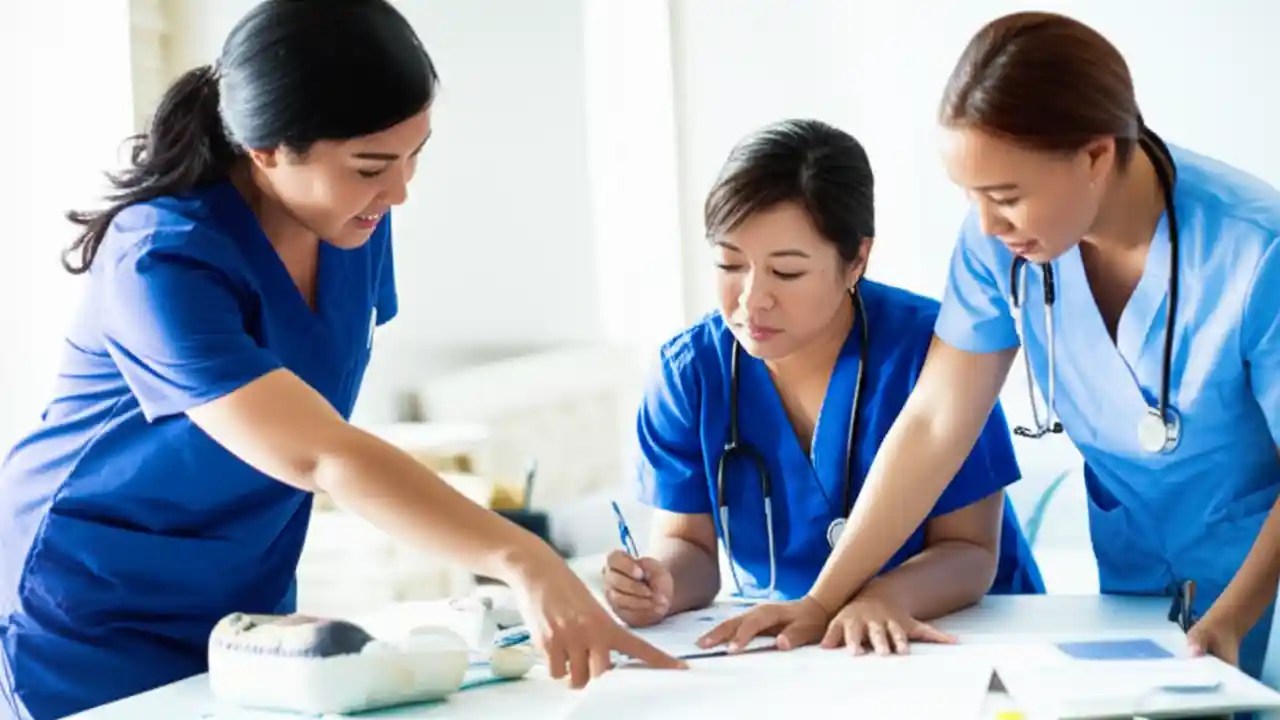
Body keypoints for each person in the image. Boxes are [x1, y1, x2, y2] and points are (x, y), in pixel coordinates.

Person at [0, 2, 680, 717]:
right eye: (371, 166)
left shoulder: (353, 227)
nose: (400, 191)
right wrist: (523, 558)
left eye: (416, 155)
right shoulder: (160, 259)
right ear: (265, 150)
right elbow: (322, 454)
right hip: (87, 603)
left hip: (241, 601)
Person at [700, 10, 1280, 681]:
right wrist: (823, 598)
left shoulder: (1255, 254)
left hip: (1262, 578)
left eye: (1005, 195)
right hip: (1138, 585)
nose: (984, 223)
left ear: (1095, 156)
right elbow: (936, 421)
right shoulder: (999, 245)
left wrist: (1234, 617)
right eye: (971, 195)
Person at [602, 119, 1044, 656]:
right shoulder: (690, 371)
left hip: (964, 637)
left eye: (786, 273)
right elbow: (689, 547)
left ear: (856, 260)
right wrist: (659, 583)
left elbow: (970, 550)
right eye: (730, 264)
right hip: (803, 649)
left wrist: (884, 597)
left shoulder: (937, 353)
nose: (751, 299)